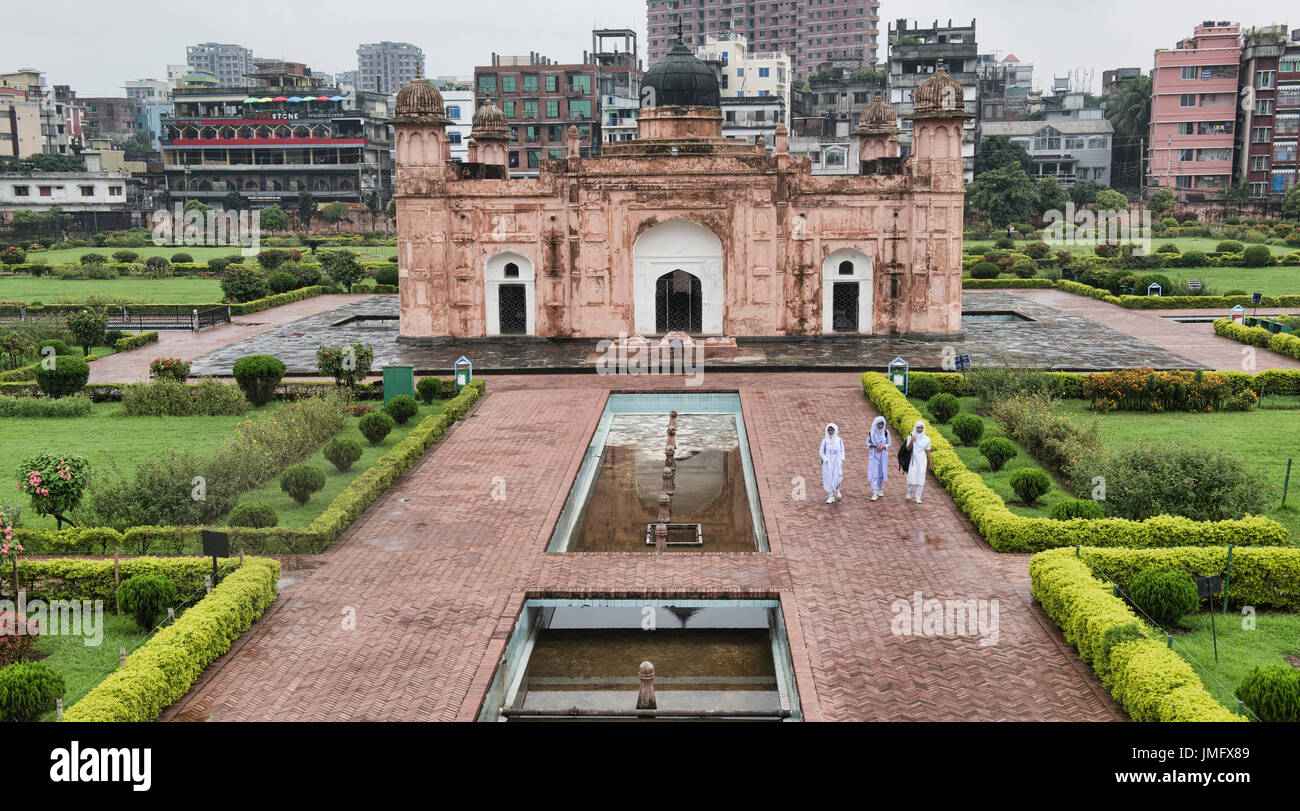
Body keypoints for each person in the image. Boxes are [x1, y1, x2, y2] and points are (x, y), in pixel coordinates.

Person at [904, 420, 931, 504]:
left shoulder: (927, 439)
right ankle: (909, 493)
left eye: (921, 428)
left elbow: (928, 451)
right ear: (915, 428)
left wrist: (930, 462)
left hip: (922, 460)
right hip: (913, 460)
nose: (919, 429)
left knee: (921, 477)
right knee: (911, 476)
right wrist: (912, 440)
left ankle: (918, 497)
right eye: (918, 427)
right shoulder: (911, 437)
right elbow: (907, 449)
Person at [866, 416, 891, 501]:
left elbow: (889, 443)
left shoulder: (886, 433)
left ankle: (880, 488)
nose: (880, 426)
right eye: (878, 424)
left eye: (882, 424)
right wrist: (870, 445)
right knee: (874, 474)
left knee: (881, 473)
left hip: (883, 456)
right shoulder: (872, 433)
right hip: (874, 456)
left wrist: (883, 446)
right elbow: (867, 442)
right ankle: (874, 492)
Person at [820, 423, 845, 504]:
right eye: (829, 430)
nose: (830, 431)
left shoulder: (839, 440)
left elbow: (842, 450)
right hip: (828, 463)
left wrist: (841, 460)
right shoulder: (824, 441)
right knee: (829, 478)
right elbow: (821, 452)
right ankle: (831, 496)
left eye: (832, 430)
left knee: (838, 476)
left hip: (837, 462)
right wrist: (826, 460)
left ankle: (836, 489)